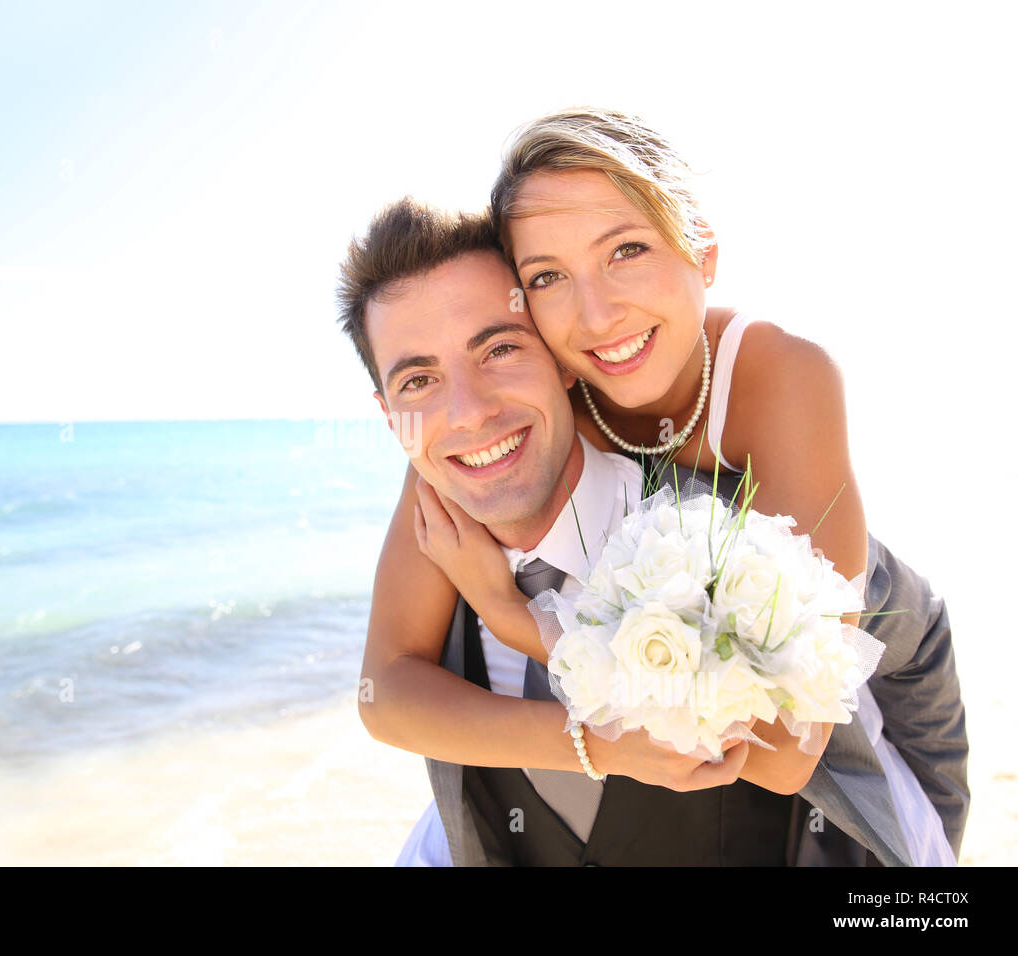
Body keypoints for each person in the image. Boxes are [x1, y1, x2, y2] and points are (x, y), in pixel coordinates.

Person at [340, 108, 968, 866]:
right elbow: (387, 687)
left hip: (888, 637)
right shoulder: (480, 429)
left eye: (627, 250)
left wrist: (515, 617)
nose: (598, 315)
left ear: (701, 248)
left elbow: (789, 745)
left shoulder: (780, 380)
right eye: (548, 278)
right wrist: (591, 742)